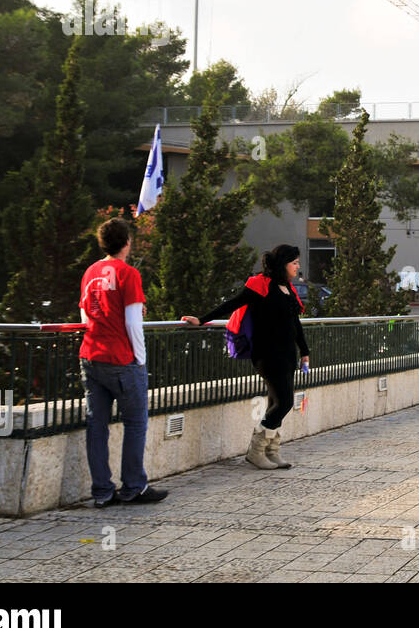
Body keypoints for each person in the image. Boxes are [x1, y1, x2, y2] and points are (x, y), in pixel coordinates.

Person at [183, 245, 310, 470]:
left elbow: (295, 324)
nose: (298, 266)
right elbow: (232, 303)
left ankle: (272, 450)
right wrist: (202, 320)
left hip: (288, 353)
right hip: (267, 353)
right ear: (283, 264)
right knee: (285, 402)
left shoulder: (288, 288)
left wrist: (305, 352)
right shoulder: (261, 285)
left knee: (275, 402)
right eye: (295, 263)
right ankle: (256, 450)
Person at [78, 217, 166, 507]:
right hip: (122, 359)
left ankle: (102, 492)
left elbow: (85, 316)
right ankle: (133, 487)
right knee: (135, 423)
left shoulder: (91, 272)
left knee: (97, 425)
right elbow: (133, 322)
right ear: (127, 243)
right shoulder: (128, 274)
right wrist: (139, 360)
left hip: (91, 355)